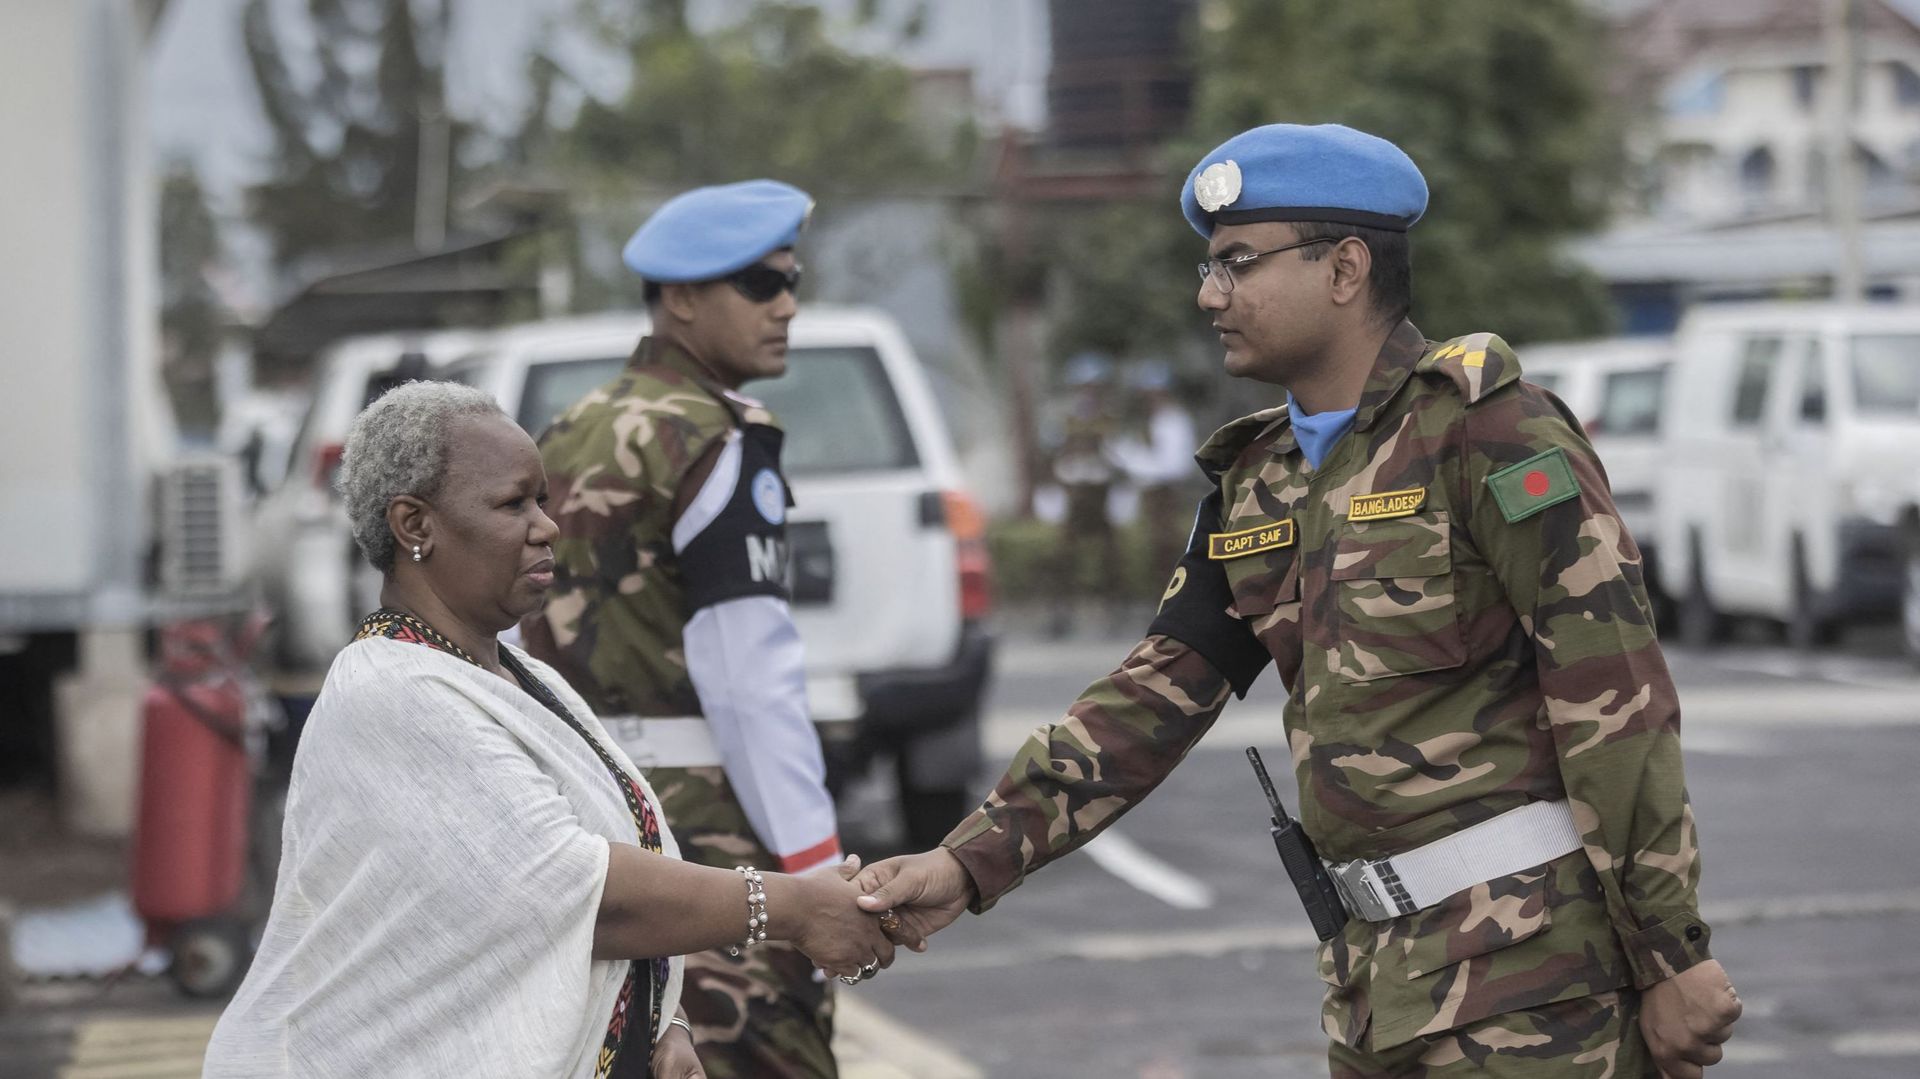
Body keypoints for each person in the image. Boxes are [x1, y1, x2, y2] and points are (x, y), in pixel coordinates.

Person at [856, 124, 1743, 1078]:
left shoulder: (1489, 431)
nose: (1210, 295)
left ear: (1346, 268)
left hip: (1535, 984)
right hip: (1373, 992)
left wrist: (1668, 955)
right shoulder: (1257, 480)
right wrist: (963, 862)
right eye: (1209, 266)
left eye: (1237, 263)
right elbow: (1147, 702)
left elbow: (1617, 701)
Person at [204, 382, 894, 1079]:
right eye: (513, 504)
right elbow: (579, 894)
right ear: (415, 525)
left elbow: (608, 864)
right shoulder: (395, 695)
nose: (547, 525)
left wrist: (665, 1021)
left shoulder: (525, 678)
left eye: (541, 498)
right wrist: (794, 906)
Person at [520, 180, 848, 1079]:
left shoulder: (567, 429)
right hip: (706, 835)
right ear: (681, 298)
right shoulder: (718, 439)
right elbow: (750, 680)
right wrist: (816, 874)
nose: (785, 304)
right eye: (758, 284)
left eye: (790, 281)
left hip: (587, 828)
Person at [1043, 351, 1125, 636]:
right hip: (1075, 491)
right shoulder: (1064, 417)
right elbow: (1052, 454)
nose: (1089, 392)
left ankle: (1113, 611)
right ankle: (1060, 613)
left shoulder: (1109, 417)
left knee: (1109, 554)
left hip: (1100, 491)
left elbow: (1118, 456)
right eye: (1084, 386)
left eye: (1093, 386)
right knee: (1063, 554)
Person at [1113, 361, 1200, 590]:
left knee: (1167, 545)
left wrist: (1130, 460)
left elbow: (1174, 466)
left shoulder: (1174, 421)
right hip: (1152, 491)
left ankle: (1178, 596)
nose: (1149, 399)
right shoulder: (1154, 420)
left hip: (1166, 490)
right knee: (1155, 549)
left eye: (1153, 393)